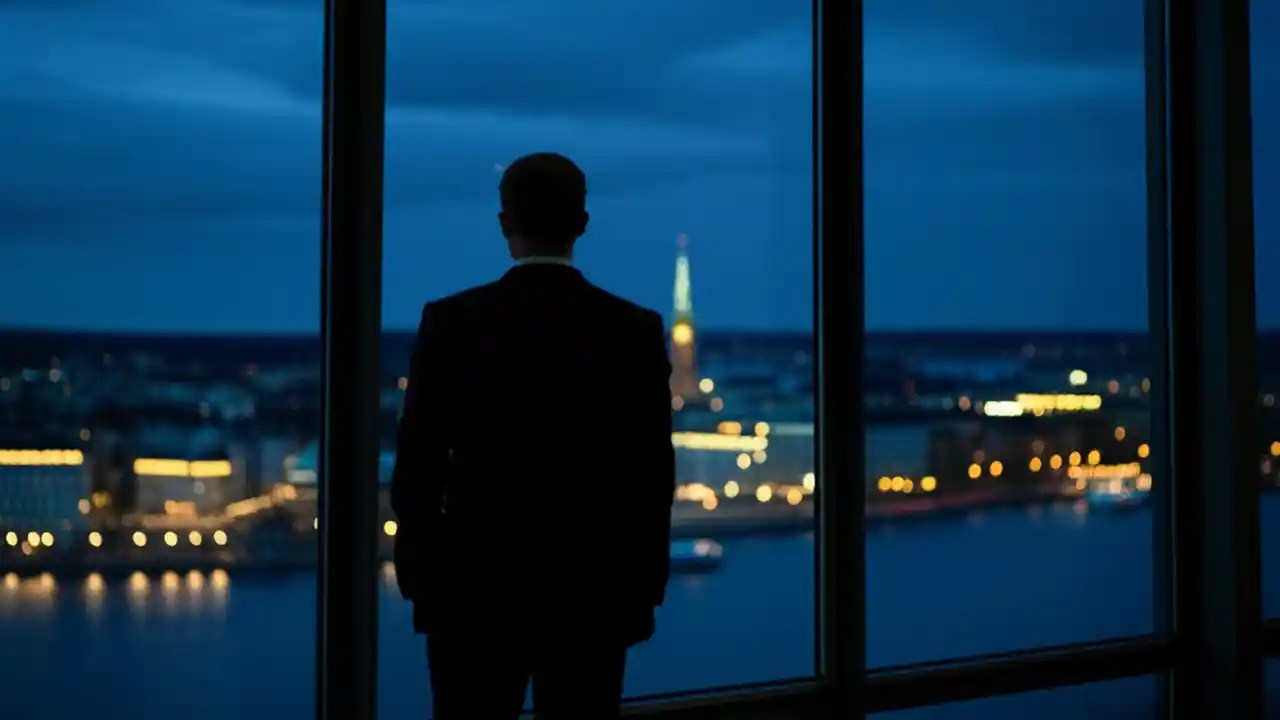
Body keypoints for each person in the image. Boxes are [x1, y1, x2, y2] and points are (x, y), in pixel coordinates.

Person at [390, 152, 676, 719]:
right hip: (591, 594)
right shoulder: (632, 329)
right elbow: (650, 476)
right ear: (583, 223)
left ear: (503, 224)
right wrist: (641, 593)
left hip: (472, 592)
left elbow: (417, 463)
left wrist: (424, 583)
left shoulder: (451, 322)